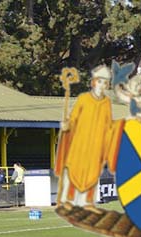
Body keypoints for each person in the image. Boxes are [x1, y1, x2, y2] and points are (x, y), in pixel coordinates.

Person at [56, 64, 114, 210]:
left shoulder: (106, 102)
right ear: (94, 82)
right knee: (73, 169)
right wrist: (67, 125)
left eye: (105, 82)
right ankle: (68, 199)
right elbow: (74, 117)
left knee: (93, 173)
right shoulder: (83, 99)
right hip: (81, 141)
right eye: (99, 81)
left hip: (96, 144)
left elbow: (108, 123)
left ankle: (88, 202)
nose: (102, 85)